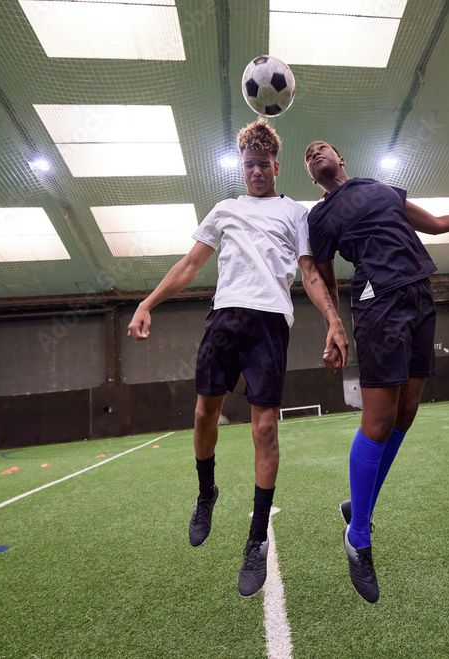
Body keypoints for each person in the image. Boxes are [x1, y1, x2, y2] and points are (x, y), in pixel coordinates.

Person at [127, 121, 348, 598]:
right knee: (206, 412)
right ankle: (207, 492)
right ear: (242, 166)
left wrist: (333, 318)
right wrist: (147, 303)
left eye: (262, 164)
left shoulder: (295, 213)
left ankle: (255, 539)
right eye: (247, 164)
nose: (255, 171)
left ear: (275, 166)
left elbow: (309, 273)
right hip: (224, 319)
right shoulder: (224, 210)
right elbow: (189, 266)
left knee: (264, 428)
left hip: (270, 324)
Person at [303, 140, 449, 603]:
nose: (314, 152)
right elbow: (323, 278)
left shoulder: (382, 188)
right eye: (307, 155)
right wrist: (334, 325)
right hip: (376, 302)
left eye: (321, 147)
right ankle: (358, 537)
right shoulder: (319, 218)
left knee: (406, 414)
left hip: (420, 297)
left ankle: (356, 507)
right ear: (311, 175)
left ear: (341, 159)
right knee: (379, 420)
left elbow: (440, 224)